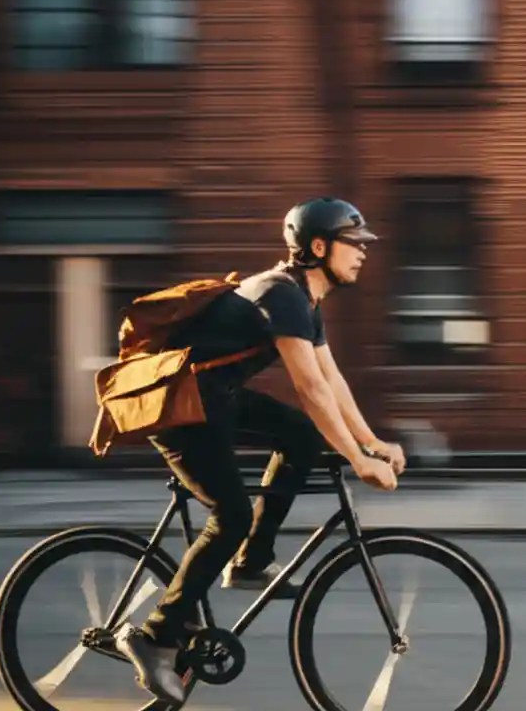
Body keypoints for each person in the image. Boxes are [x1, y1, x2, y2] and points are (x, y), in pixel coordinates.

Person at [113, 197, 406, 703]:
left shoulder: (304, 300)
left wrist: (371, 441)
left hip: (215, 398)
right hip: (181, 406)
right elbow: (310, 390)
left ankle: (250, 563)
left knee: (301, 437)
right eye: (353, 243)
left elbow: (330, 379)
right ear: (318, 247)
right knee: (230, 516)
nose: (363, 252)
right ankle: (154, 637)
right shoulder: (283, 293)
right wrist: (359, 463)